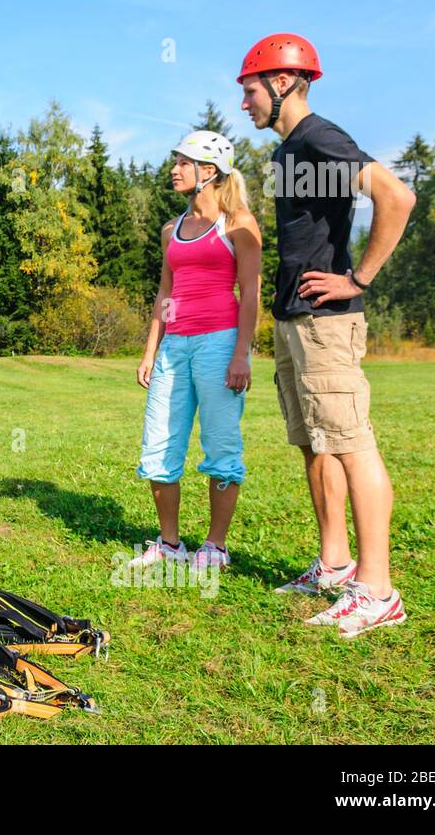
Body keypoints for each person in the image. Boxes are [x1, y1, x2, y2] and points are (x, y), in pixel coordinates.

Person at [238, 33, 416, 637]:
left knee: (349, 441)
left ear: (283, 82)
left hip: (327, 322)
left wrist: (357, 277)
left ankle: (377, 588)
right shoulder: (288, 151)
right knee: (314, 442)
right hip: (295, 318)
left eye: (251, 89)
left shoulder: (320, 137)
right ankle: (336, 564)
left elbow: (396, 196)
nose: (245, 103)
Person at [132, 131, 262, 575]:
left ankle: (216, 545)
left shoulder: (240, 223)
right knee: (158, 446)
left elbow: (250, 294)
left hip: (220, 342)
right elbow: (165, 293)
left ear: (209, 171)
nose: (174, 169)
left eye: (184, 162)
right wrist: (151, 349)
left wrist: (242, 353)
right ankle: (169, 543)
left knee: (221, 445)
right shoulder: (172, 228)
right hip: (174, 347)